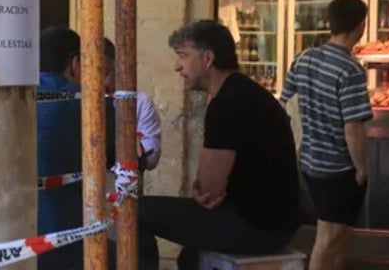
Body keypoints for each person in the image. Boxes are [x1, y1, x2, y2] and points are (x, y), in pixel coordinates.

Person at [139, 20, 299, 270]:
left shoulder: (228, 103)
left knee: (136, 210)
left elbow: (208, 189)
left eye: (183, 56)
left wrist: (202, 189)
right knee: (190, 256)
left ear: (208, 58)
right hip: (273, 221)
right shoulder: (243, 92)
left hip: (257, 226)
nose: (177, 66)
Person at [280, 0, 372, 270]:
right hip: (336, 166)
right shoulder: (350, 70)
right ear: (360, 26)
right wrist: (362, 168)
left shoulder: (303, 59)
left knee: (339, 234)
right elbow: (353, 127)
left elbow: (286, 104)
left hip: (309, 160)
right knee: (329, 237)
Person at [36, 26, 115, 270]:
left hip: (20, 238)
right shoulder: (90, 101)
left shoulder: (14, 96)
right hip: (73, 237)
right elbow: (111, 158)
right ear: (75, 63)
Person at [103, 38, 162, 171]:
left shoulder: (140, 101)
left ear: (117, 67)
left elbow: (152, 156)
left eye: (105, 74)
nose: (100, 83)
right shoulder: (74, 100)